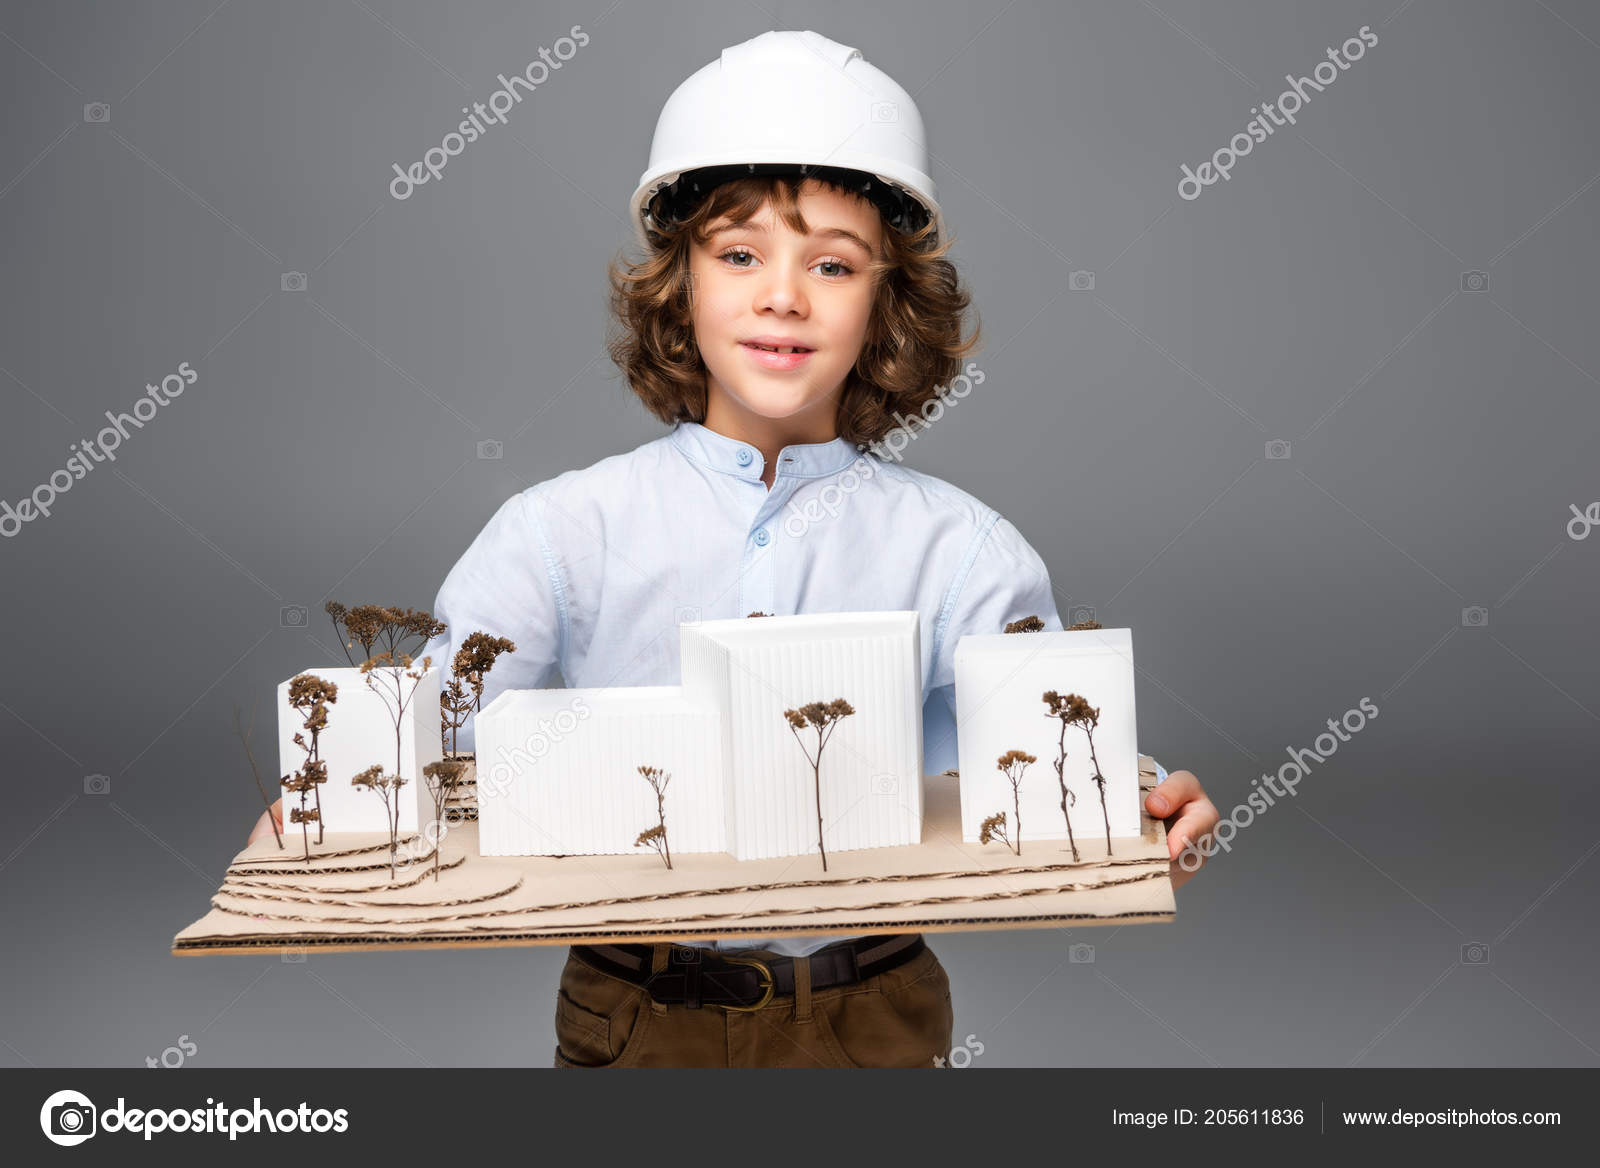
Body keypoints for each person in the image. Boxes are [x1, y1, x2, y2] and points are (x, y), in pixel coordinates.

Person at [249, 29, 1219, 1068]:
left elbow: (1021, 759)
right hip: (636, 1013)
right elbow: (443, 741)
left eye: (833, 264)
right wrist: (349, 786)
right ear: (680, 285)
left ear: (887, 303)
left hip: (871, 1011)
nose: (782, 298)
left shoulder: (963, 551)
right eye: (740, 254)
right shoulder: (559, 534)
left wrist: (1141, 800)